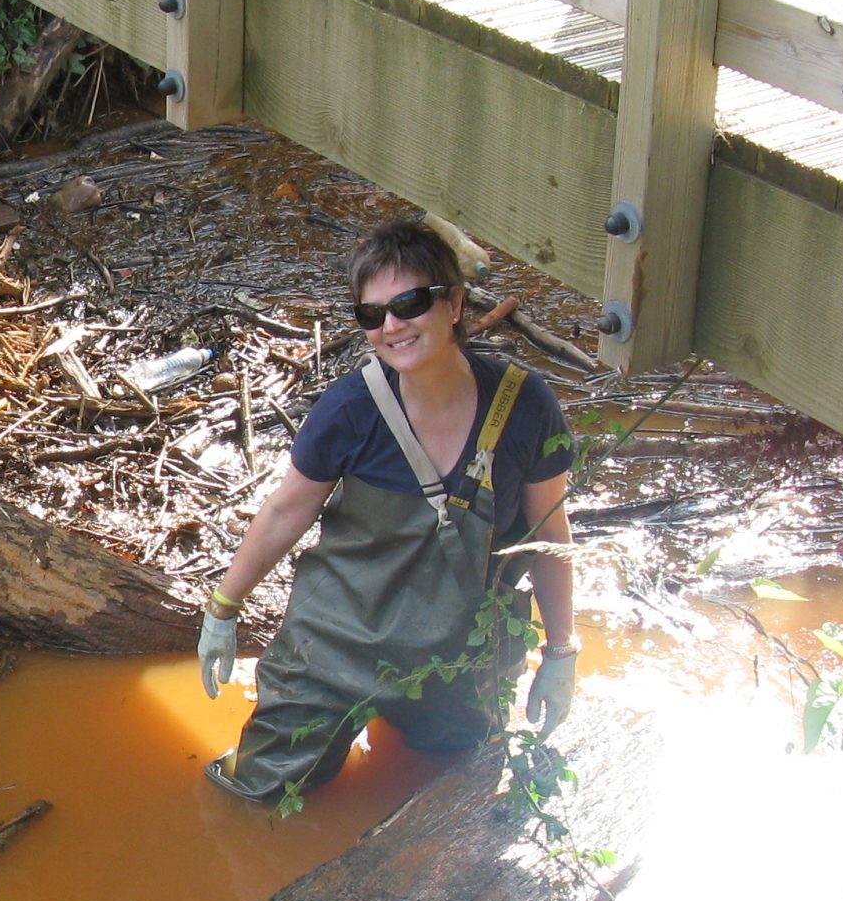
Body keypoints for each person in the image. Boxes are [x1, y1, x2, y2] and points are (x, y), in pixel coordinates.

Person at [196, 214, 578, 804]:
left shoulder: (526, 404)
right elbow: (285, 513)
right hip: (336, 643)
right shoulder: (352, 407)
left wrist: (560, 652)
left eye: (409, 304)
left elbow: (551, 535)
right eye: (372, 315)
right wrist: (222, 609)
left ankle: (415, 724)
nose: (392, 325)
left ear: (453, 303)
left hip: (460, 654)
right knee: (262, 791)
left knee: (454, 781)